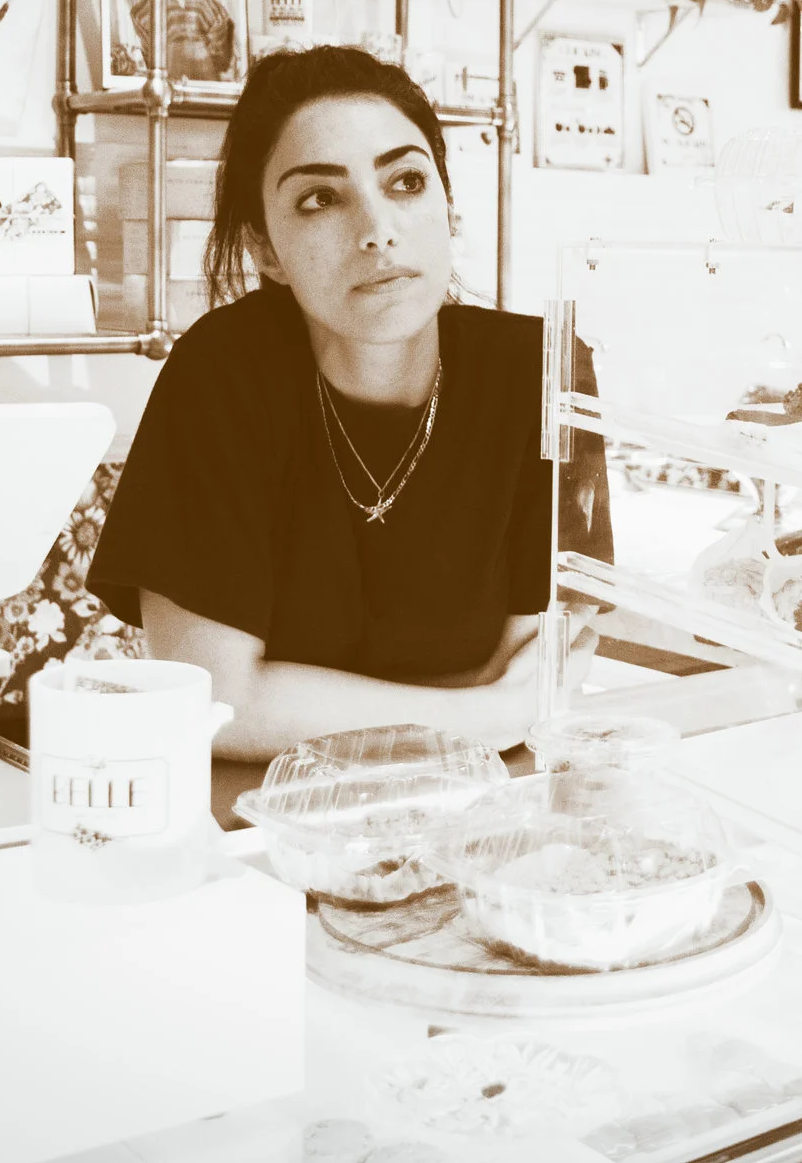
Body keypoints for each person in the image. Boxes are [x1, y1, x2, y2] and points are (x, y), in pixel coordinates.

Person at [89, 45, 605, 775]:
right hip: (261, 811)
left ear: (448, 206)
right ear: (266, 249)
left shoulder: (543, 368)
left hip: (489, 798)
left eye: (407, 181)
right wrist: (484, 716)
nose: (377, 228)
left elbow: (544, 667)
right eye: (319, 199)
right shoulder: (223, 372)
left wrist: (295, 701)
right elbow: (214, 698)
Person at [127, 0, 238, 83]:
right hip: (171, 59)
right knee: (172, 94)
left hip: (201, 60)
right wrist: (155, 49)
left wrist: (211, 49)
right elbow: (138, 16)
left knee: (202, 94)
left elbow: (220, 20)